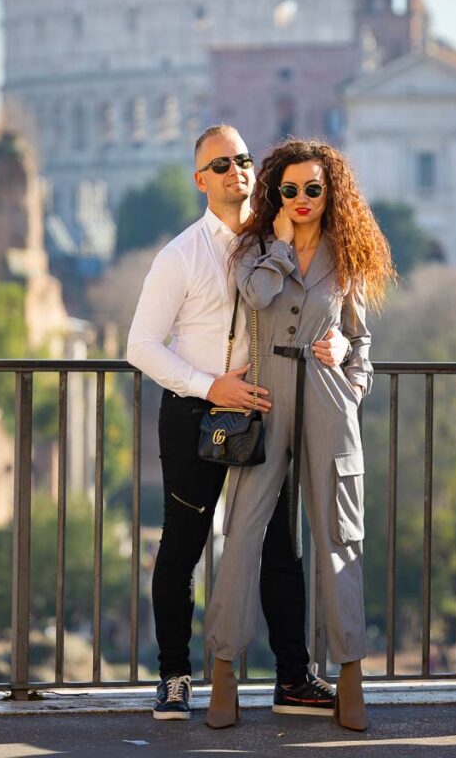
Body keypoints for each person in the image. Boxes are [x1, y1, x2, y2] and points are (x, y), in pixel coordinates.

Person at [126, 126, 351, 721]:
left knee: (281, 548)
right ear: (200, 180)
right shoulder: (180, 255)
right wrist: (210, 386)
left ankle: (292, 678)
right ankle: (175, 677)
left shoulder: (286, 237)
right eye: (221, 164)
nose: (236, 171)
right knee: (184, 545)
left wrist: (339, 343)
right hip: (196, 413)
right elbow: (140, 346)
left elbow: (325, 308)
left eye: (244, 160)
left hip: (266, 410)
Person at [205, 139, 394, 732]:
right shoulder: (256, 248)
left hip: (330, 401)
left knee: (340, 536)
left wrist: (351, 376)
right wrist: (283, 246)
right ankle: (223, 674)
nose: (303, 198)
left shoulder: (347, 254)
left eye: (314, 188)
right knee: (241, 533)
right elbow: (256, 296)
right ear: (276, 193)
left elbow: (361, 340)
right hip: (264, 401)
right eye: (290, 189)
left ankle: (351, 675)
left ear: (331, 192)